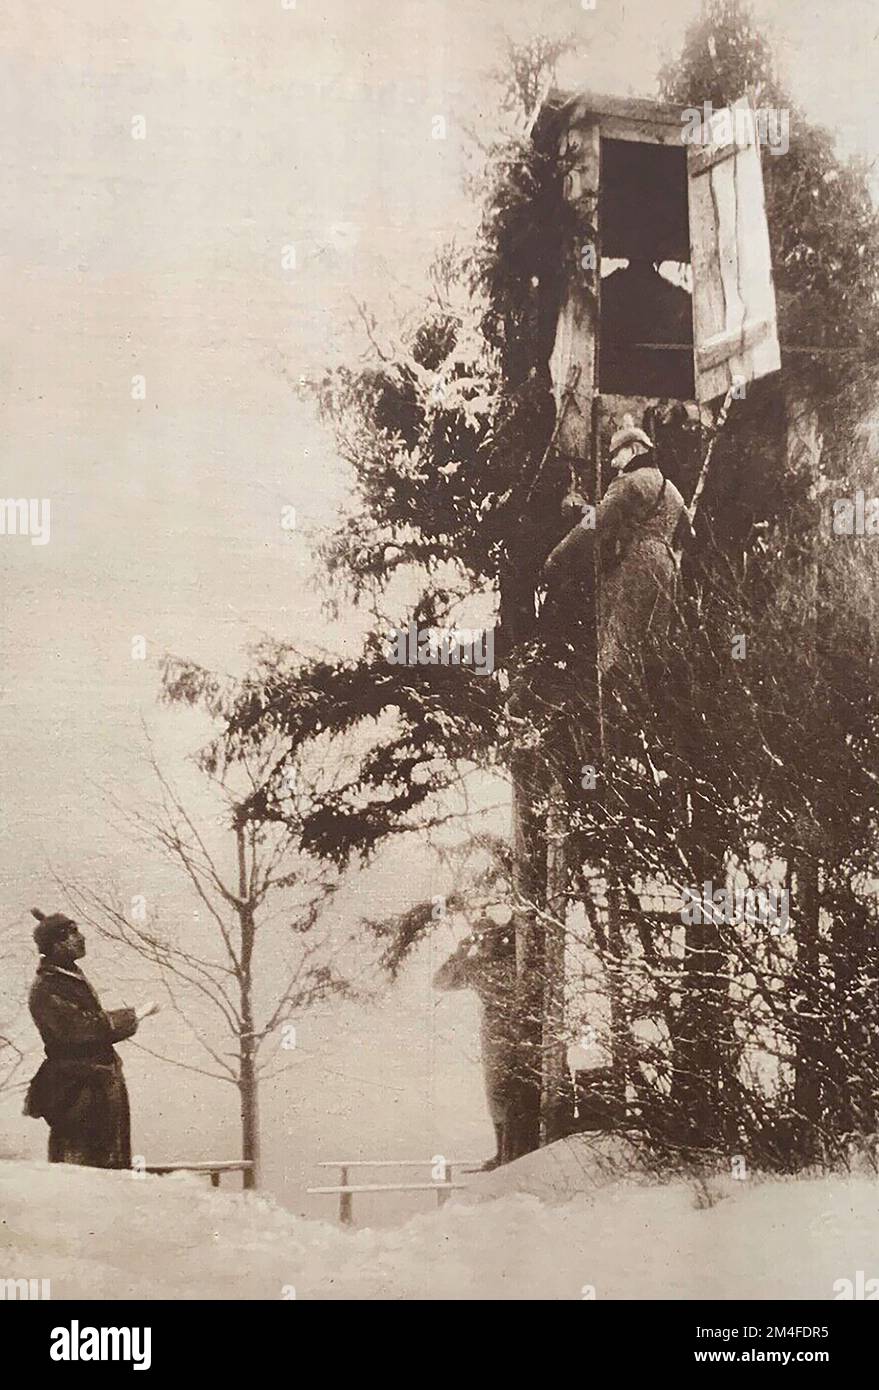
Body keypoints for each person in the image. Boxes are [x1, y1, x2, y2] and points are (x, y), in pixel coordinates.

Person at [543, 417, 692, 679]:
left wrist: (558, 556)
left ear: (634, 450)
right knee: (652, 648)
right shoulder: (672, 490)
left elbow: (596, 523)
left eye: (616, 455)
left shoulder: (629, 482)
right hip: (668, 570)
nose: (613, 463)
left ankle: (613, 712)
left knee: (618, 648)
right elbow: (689, 533)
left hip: (637, 567)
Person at [23, 908, 160, 1169]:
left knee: (108, 1172)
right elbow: (83, 1029)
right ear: (55, 944)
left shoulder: (70, 978)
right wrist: (136, 1014)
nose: (81, 938)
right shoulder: (46, 988)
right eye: (72, 934)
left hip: (95, 1087)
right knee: (82, 1177)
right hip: (76, 1090)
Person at [433, 917, 516, 1170]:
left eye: (490, 934)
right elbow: (440, 983)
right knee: (495, 1091)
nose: (486, 941)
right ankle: (502, 1151)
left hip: (520, 1024)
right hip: (493, 1029)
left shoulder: (513, 959)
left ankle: (513, 1151)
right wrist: (459, 952)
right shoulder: (474, 965)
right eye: (479, 936)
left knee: (518, 1088)